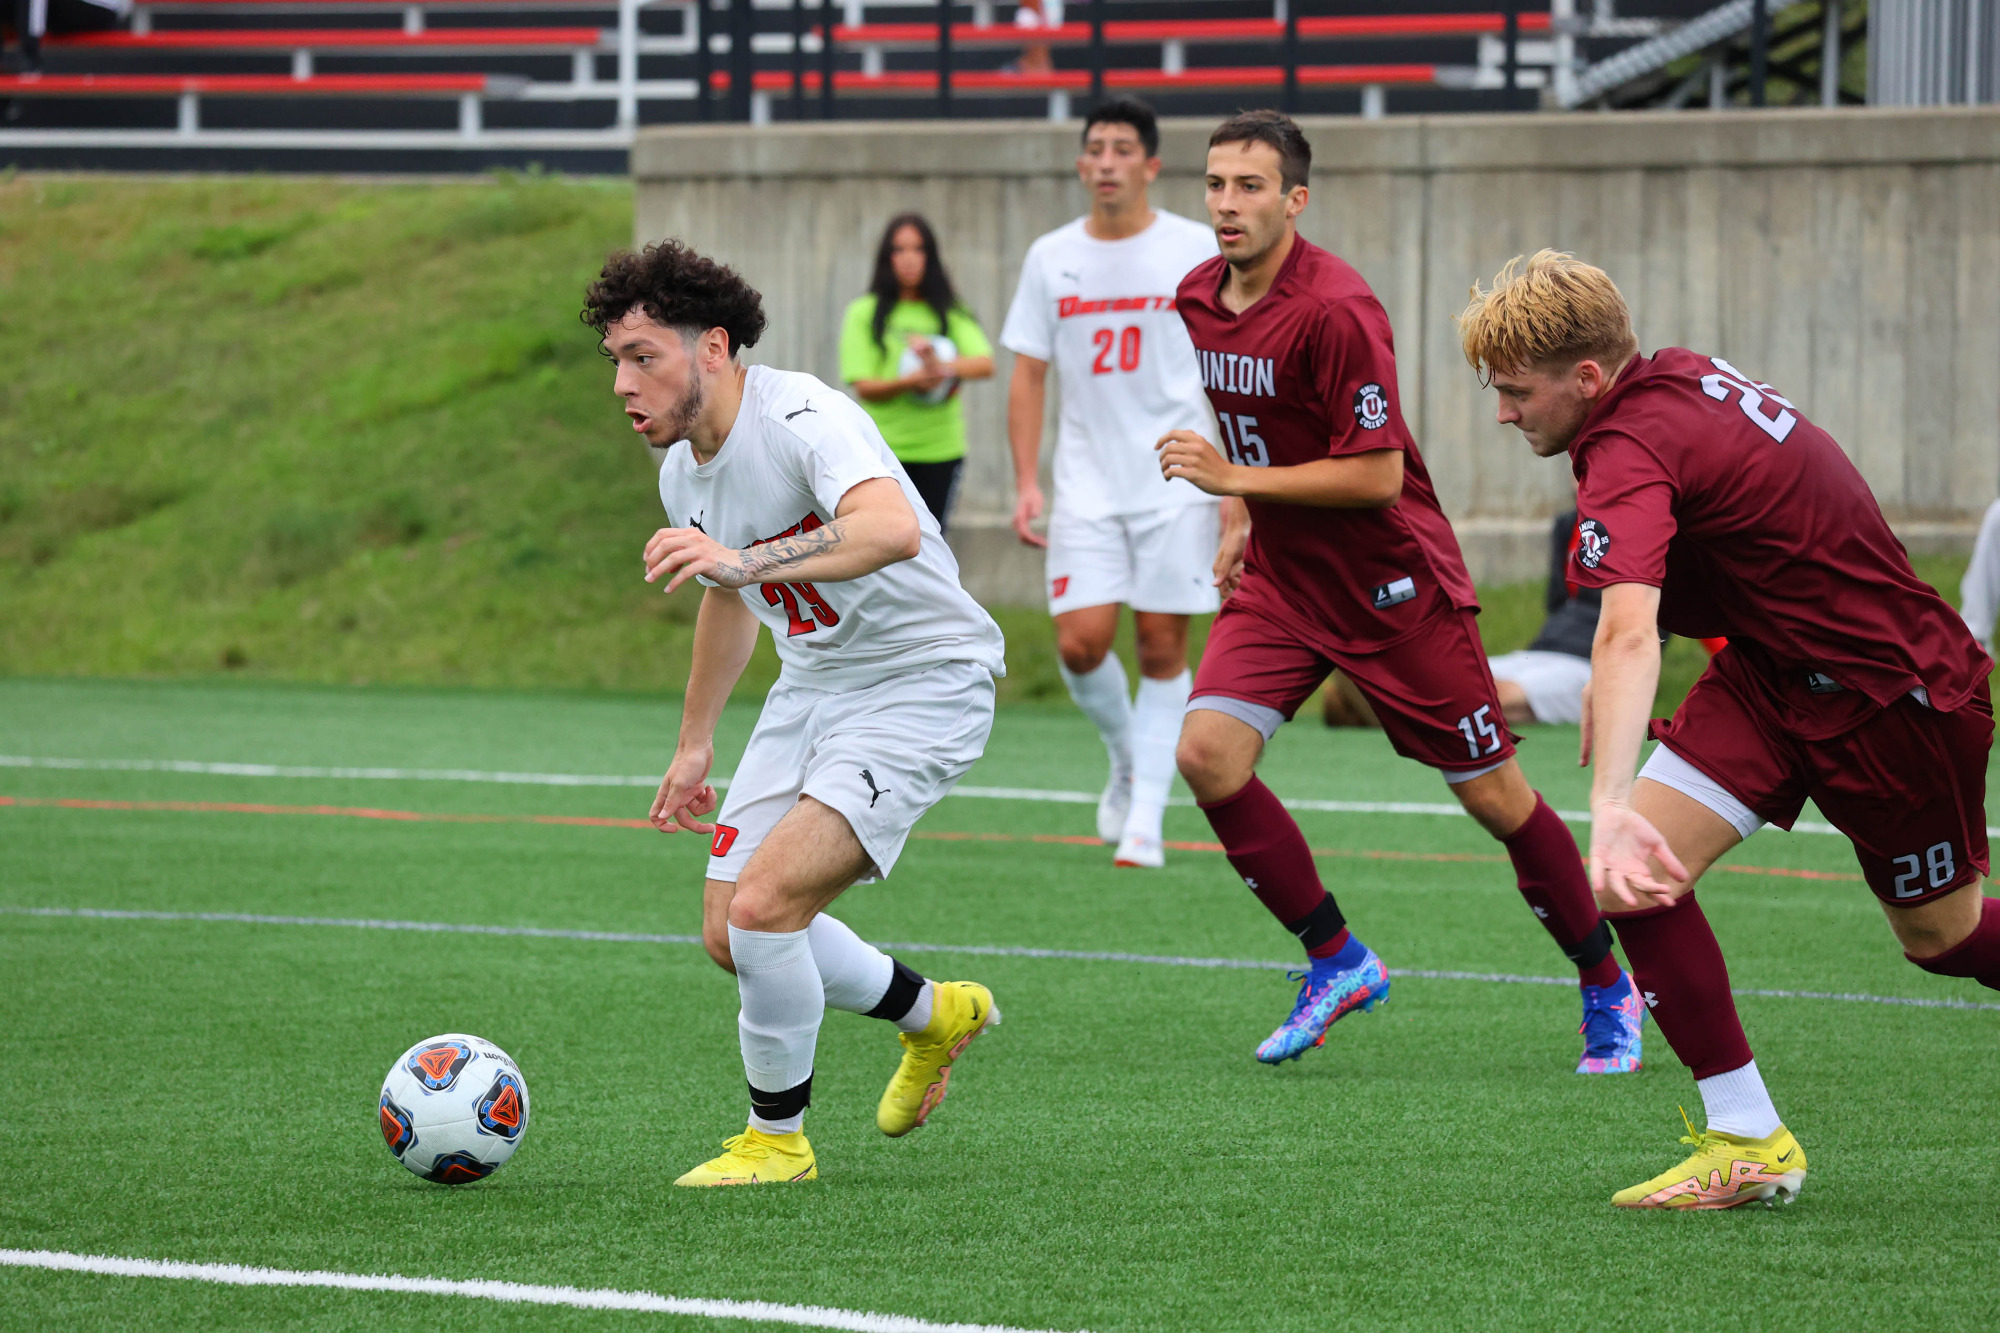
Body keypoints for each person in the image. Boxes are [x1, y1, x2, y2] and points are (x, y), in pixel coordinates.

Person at [1459, 249, 1998, 1210]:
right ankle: (1749, 1140)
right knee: (1633, 877)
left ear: (1588, 377)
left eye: (1515, 391)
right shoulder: (1670, 378)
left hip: (1890, 696)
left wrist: (1609, 796)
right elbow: (1719, 546)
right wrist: (1615, 706)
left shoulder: (1628, 445)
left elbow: (1629, 631)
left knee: (1942, 938)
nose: (1503, 412)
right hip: (1770, 675)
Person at [1161, 111, 1643, 1073]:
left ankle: (1607, 983)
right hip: (1285, 584)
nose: (1227, 204)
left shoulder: (1338, 308)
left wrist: (1233, 482)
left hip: (1392, 590)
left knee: (1498, 799)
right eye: (1215, 184)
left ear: (1296, 199)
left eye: (1250, 186)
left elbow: (1378, 474)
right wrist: (1242, 517)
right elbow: (1255, 418)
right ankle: (1337, 958)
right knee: (1207, 755)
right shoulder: (1197, 295)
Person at [586, 240, 1009, 1187]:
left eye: (643, 357)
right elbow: (727, 598)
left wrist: (743, 562)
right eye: (615, 360)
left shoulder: (804, 417)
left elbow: (890, 528)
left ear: (713, 347)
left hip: (922, 679)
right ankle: (935, 1013)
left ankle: (776, 1141)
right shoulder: (683, 472)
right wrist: (695, 742)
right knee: (729, 929)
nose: (622, 384)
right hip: (814, 685)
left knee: (766, 906)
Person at [1001, 97, 1229, 869]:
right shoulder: (1050, 256)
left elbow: (1229, 357)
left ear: (1151, 165)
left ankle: (1146, 821)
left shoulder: (1195, 248)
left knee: (1162, 645)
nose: (1106, 162)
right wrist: (1026, 481)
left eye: (1122, 148)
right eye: (1095, 148)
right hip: (1086, 484)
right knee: (1080, 642)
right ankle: (1130, 758)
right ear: (1080, 163)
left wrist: (1235, 484)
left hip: (1177, 477)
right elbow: (1028, 373)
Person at [1323, 508, 1600, 729]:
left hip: (1589, 664)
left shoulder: (1621, 524)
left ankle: (1387, 700)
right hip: (1542, 650)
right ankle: (1393, 700)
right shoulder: (1568, 524)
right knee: (1459, 680)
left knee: (1489, 699)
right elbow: (1557, 605)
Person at [839, 213, 994, 535]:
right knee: (885, 545)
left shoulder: (950, 310)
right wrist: (909, 382)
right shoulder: (863, 312)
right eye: (899, 249)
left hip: (940, 451)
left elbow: (984, 363)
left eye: (918, 249)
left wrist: (941, 367)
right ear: (887, 258)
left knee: (931, 544)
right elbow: (864, 386)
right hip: (882, 452)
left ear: (930, 257)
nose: (909, 258)